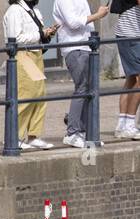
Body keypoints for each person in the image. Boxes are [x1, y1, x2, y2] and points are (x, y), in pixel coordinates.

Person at [55, 2, 111, 146]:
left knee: (89, 90)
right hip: (74, 47)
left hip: (87, 47)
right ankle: (72, 132)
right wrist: (98, 15)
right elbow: (73, 23)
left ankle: (85, 131)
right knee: (81, 88)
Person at [5, 0, 58, 150]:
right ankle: (15, 137)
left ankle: (34, 136)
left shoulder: (34, 10)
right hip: (23, 55)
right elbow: (15, 38)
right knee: (25, 96)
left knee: (40, 96)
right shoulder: (15, 10)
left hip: (36, 54)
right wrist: (40, 34)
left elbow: (37, 35)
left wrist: (47, 34)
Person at [113, 0, 140, 139]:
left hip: (130, 34)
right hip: (131, 35)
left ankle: (122, 124)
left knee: (131, 80)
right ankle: (129, 125)